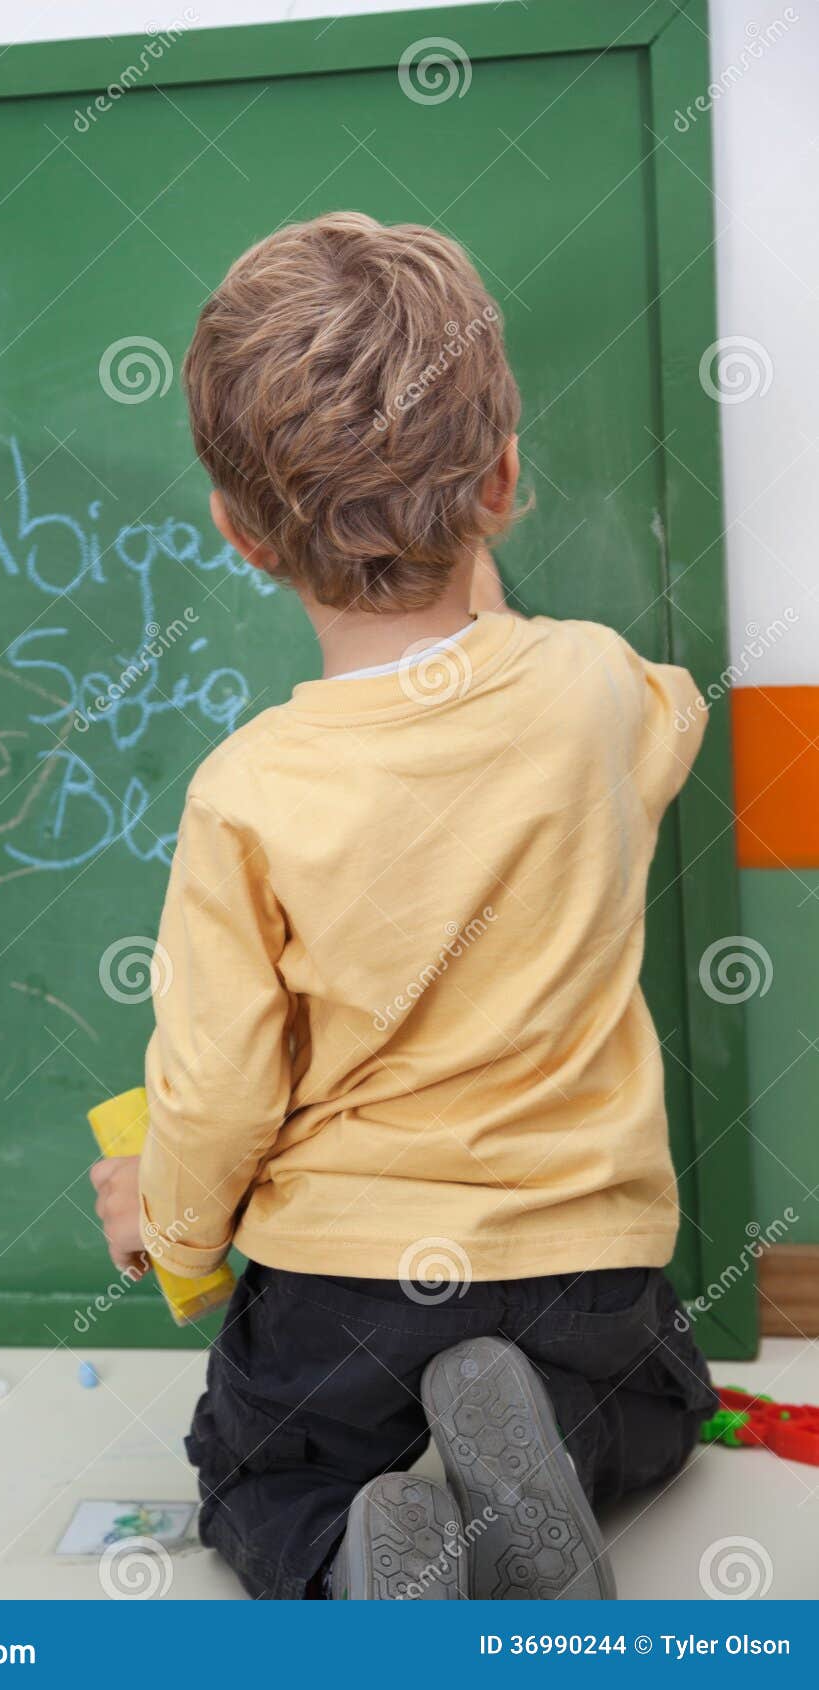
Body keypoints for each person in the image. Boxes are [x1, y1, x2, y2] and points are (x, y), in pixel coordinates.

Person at [90, 213, 717, 1601]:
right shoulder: (602, 691)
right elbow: (675, 719)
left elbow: (218, 1087)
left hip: (342, 1297)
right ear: (503, 482)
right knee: (665, 1402)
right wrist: (471, 582)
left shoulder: (250, 792)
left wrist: (173, 1226)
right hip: (582, 1272)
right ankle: (547, 1434)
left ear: (240, 533)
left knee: (260, 1472)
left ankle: (350, 1545)